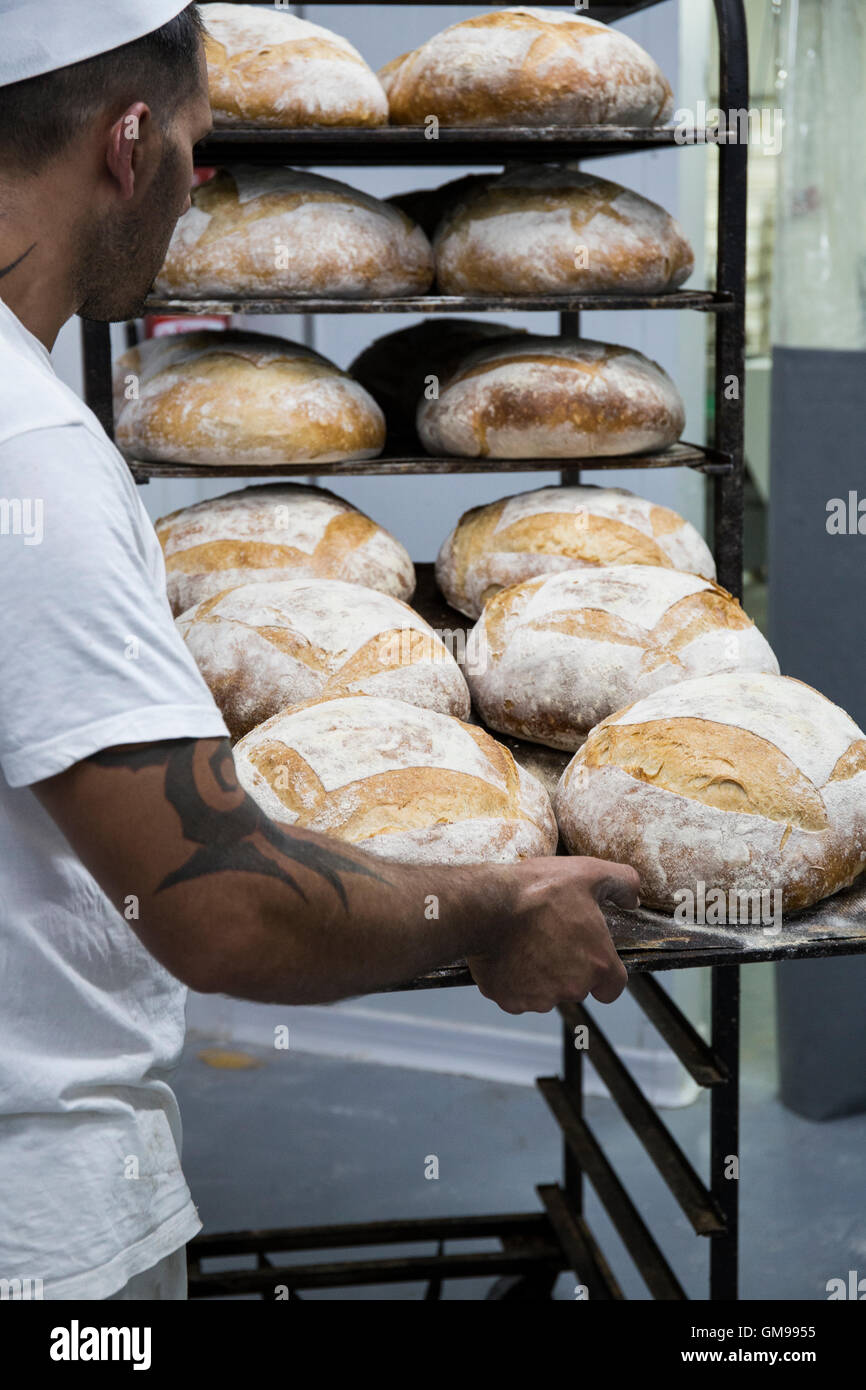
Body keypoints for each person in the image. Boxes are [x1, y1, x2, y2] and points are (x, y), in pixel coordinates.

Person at [0, 1, 637, 1301]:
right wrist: (496, 904)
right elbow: (224, 910)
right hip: (43, 1227)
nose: (196, 191)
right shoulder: (32, 456)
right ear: (130, 144)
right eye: (196, 149)